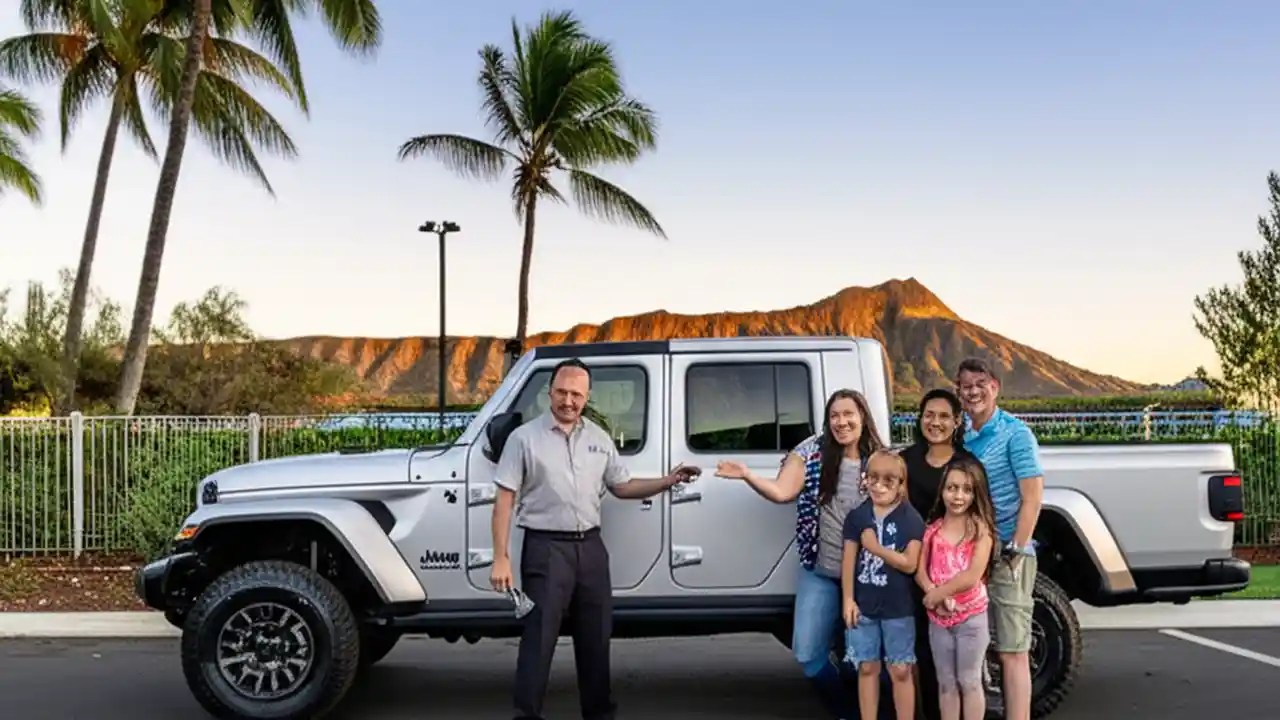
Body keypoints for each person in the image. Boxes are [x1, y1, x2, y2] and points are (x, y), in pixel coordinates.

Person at [490, 358, 702, 720]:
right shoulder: (523, 439)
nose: (568, 401)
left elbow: (622, 486)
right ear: (549, 392)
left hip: (590, 549)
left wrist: (668, 481)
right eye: (561, 392)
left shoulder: (599, 439)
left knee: (595, 640)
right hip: (545, 549)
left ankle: (599, 714)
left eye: (576, 394)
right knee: (538, 641)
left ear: (586, 397)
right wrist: (500, 558)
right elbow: (504, 500)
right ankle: (527, 715)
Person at [715, 388, 886, 719]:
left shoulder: (880, 460)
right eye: (834, 415)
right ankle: (846, 710)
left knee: (862, 658)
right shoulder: (811, 453)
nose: (842, 422)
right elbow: (782, 491)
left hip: (866, 577)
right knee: (808, 654)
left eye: (849, 414)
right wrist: (748, 475)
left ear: (862, 416)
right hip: (820, 571)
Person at [954, 358, 1045, 720]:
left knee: (1012, 649)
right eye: (965, 386)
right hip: (970, 555)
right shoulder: (963, 435)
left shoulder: (1015, 433)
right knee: (976, 647)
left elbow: (1033, 496)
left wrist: (1015, 550)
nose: (973, 391)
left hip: (1007, 552)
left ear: (995, 386)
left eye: (980, 383)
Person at [897, 388, 978, 720]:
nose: (935, 422)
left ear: (957, 421)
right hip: (913, 570)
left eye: (945, 416)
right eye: (929, 414)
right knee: (921, 654)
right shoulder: (905, 461)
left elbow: (980, 518)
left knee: (959, 664)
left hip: (955, 576)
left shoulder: (968, 465)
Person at [841, 449, 926, 720]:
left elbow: (910, 563)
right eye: (873, 478)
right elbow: (849, 561)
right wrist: (848, 599)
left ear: (901, 484)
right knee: (867, 666)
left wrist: (876, 548)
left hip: (898, 608)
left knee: (900, 669)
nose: (878, 486)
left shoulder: (910, 518)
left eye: (888, 481)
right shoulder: (857, 516)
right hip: (864, 604)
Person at [916, 456, 997, 720]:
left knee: (970, 680)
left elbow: (973, 575)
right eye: (952, 488)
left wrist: (940, 593)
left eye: (966, 489)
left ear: (976, 493)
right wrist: (932, 595)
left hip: (971, 617)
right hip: (938, 620)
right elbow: (920, 571)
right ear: (942, 490)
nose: (958, 496)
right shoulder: (933, 530)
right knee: (946, 682)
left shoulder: (980, 530)